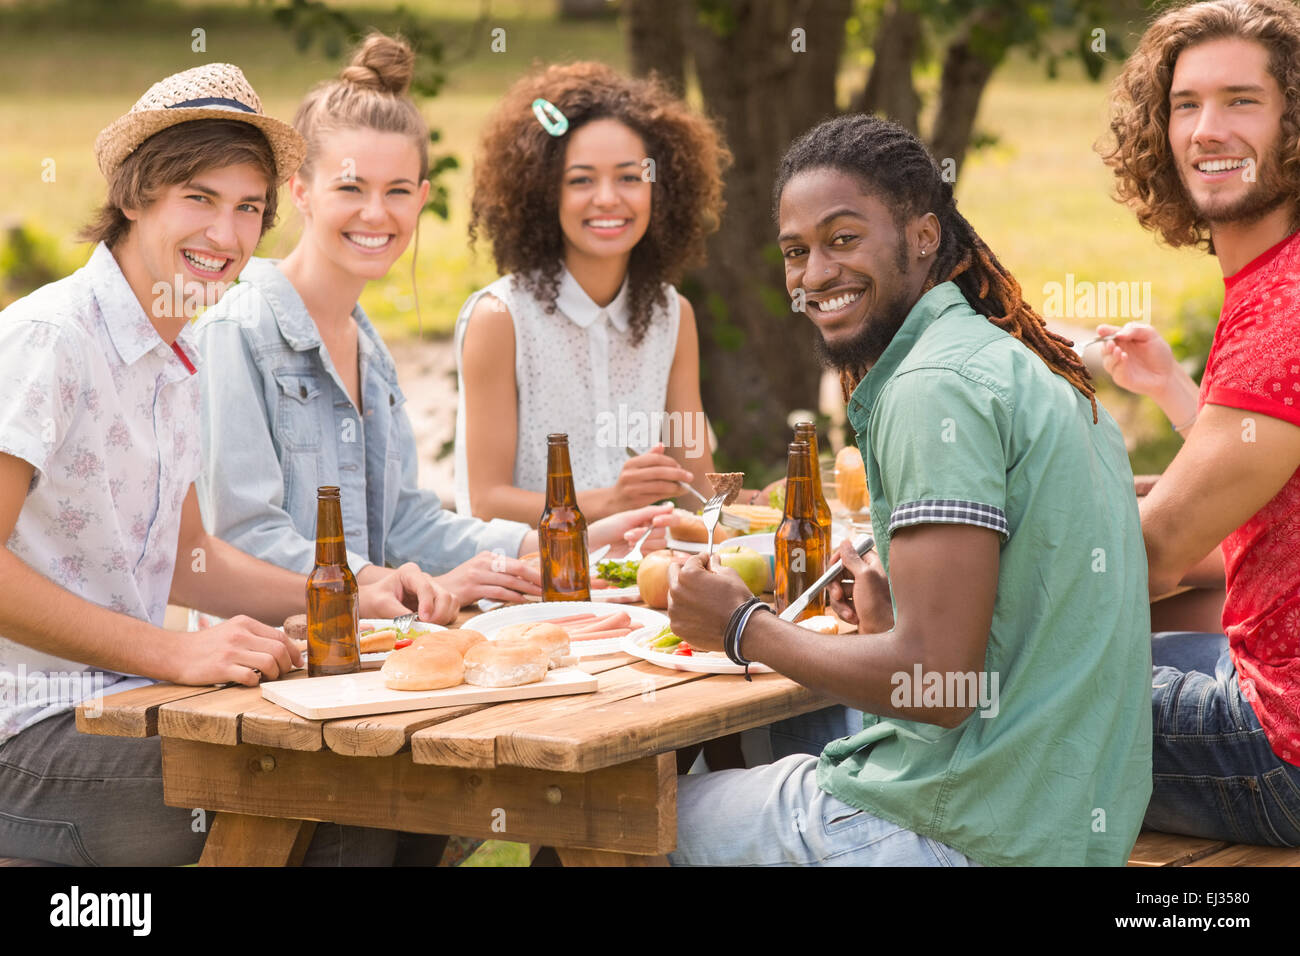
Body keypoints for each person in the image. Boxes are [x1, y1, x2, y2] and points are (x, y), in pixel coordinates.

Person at [663, 114, 1153, 866]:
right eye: (796, 252)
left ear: (924, 236)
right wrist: (896, 618)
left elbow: (939, 685)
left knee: (630, 816)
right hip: (1058, 822)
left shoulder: (931, 388)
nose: (815, 274)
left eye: (843, 239)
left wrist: (740, 625)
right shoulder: (1015, 363)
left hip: (962, 833)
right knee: (769, 741)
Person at [0, 63, 457, 866]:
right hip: (24, 736)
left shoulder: (176, 352)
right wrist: (171, 653)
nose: (227, 235)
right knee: (344, 807)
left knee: (414, 787)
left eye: (248, 208)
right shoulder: (50, 339)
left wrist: (357, 588)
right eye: (200, 199)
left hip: (123, 704)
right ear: (137, 194)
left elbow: (187, 560)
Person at [196, 37, 669, 608]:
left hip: (362, 656)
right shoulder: (236, 333)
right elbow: (244, 536)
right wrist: (405, 586)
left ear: (421, 199)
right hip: (268, 670)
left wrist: (554, 541)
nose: (377, 213)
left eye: (397, 191)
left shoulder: (368, 351)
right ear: (300, 190)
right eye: (351, 188)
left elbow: (405, 524)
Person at [1096, 0, 1300, 845]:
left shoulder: (1280, 314)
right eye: (1186, 104)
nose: (1207, 129)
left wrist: (944, 576)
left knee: (945, 701)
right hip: (1265, 678)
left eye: (1242, 100)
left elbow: (1145, 560)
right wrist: (1181, 398)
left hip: (1278, 753)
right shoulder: (1275, 282)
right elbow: (1265, 503)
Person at [453, 62, 730, 524]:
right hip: (536, 582)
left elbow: (696, 488)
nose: (606, 198)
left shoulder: (673, 316)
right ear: (546, 193)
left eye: (628, 177)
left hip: (643, 578)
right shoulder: (499, 317)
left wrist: (748, 507)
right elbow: (485, 503)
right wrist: (612, 501)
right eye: (581, 179)